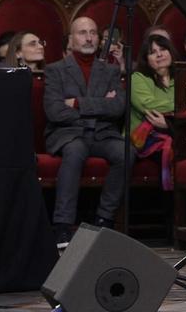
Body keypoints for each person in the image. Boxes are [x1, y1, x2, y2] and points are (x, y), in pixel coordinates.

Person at [44, 16, 129, 249]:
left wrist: (77, 103)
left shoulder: (110, 71)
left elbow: (118, 107)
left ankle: (104, 220)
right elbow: (54, 111)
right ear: (71, 39)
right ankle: (63, 225)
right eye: (82, 33)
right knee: (75, 150)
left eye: (93, 33)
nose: (89, 37)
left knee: (126, 152)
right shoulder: (55, 70)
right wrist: (100, 104)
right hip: (68, 133)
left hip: (103, 134)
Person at [130, 32, 178, 191]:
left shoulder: (182, 79)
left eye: (163, 49)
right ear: (146, 59)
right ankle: (169, 199)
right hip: (141, 138)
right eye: (152, 52)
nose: (159, 55)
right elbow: (150, 105)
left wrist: (168, 124)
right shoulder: (138, 78)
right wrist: (179, 107)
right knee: (169, 149)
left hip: (175, 132)